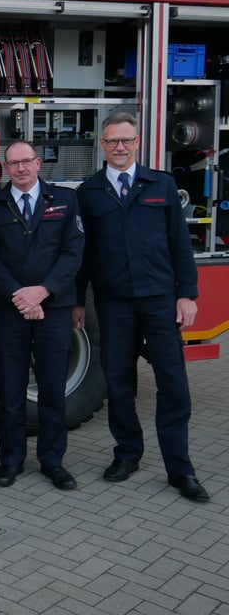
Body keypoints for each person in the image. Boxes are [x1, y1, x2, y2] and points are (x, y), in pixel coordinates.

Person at [73, 112, 209, 502]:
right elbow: (83, 254)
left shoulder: (161, 186)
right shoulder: (89, 192)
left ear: (137, 143)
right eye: (112, 141)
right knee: (118, 383)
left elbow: (180, 245)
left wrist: (188, 294)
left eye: (126, 140)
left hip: (160, 301)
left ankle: (179, 468)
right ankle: (128, 453)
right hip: (113, 304)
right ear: (102, 145)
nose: (120, 147)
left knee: (173, 386)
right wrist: (77, 303)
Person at [0, 142, 84, 490]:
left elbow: (73, 253)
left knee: (53, 388)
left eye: (26, 161)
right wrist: (19, 295)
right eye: (13, 163)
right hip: (10, 309)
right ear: (5, 168)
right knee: (11, 389)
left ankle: (53, 461)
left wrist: (42, 291)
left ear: (38, 163)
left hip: (53, 307)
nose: (20, 168)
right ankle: (10, 460)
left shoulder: (66, 200)